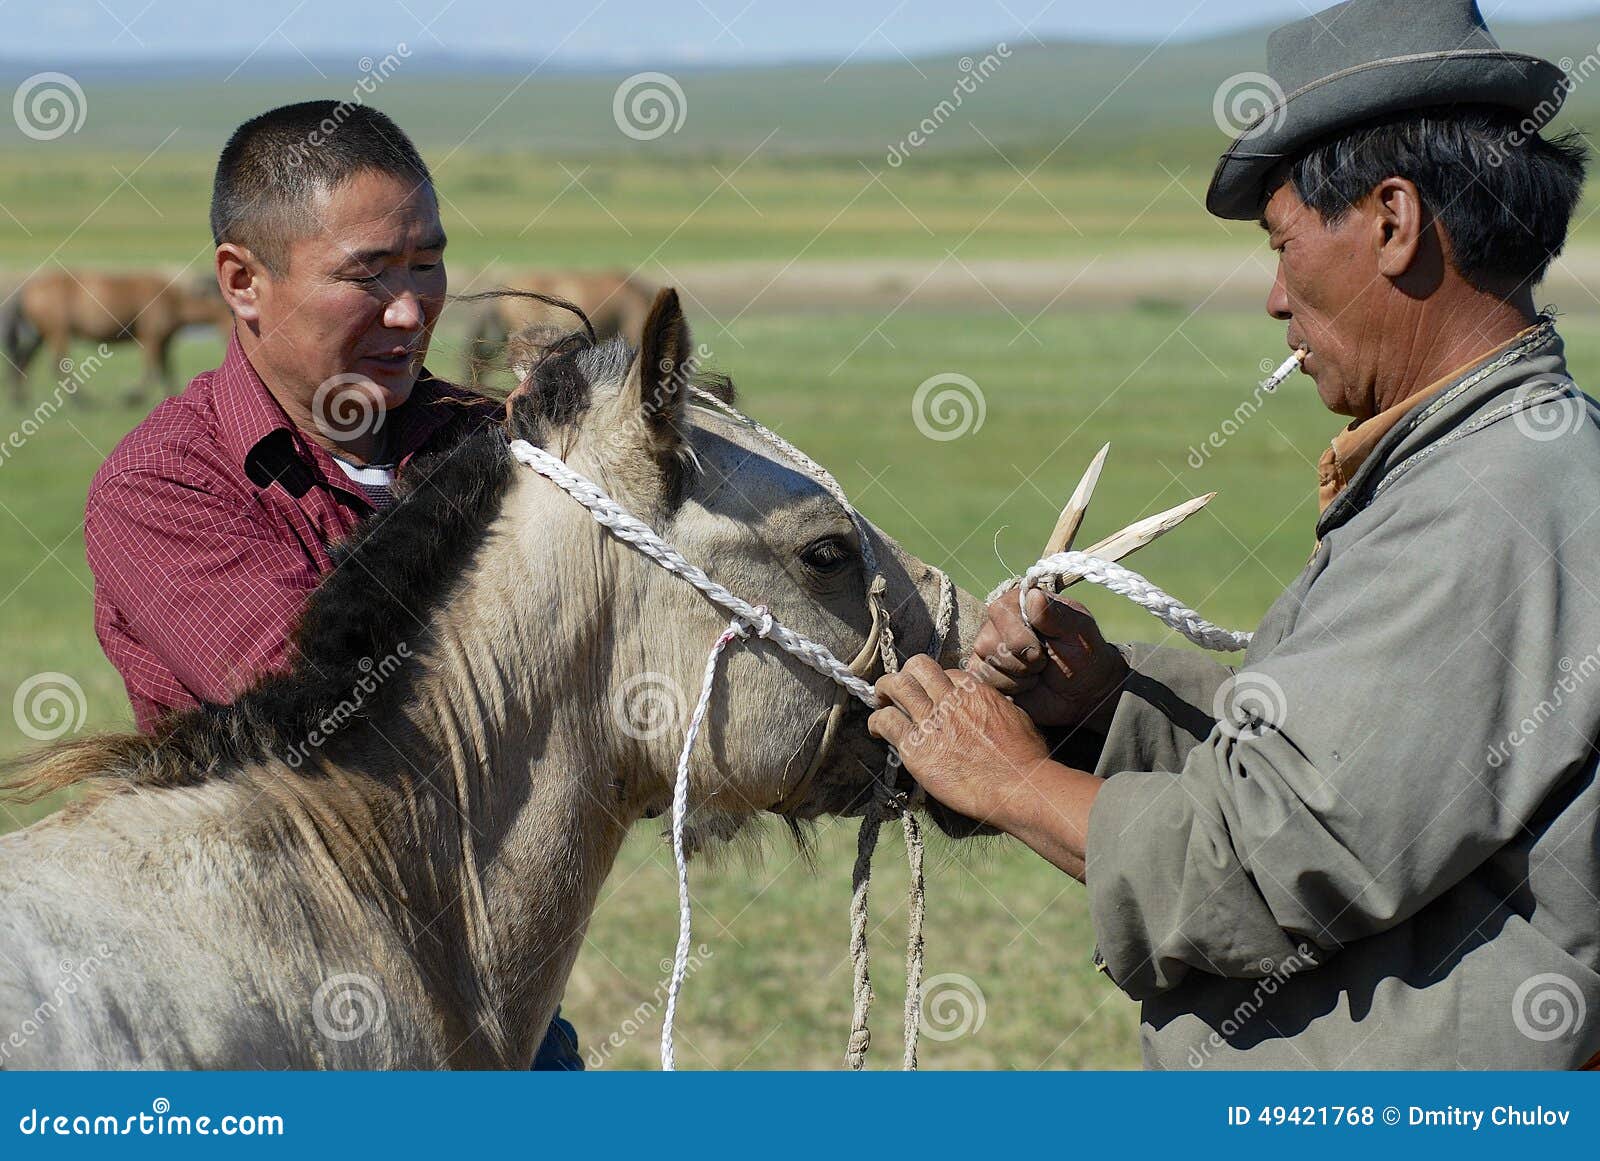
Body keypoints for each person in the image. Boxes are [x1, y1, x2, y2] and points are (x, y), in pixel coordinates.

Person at [872, 0, 1600, 1069]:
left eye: (1284, 245)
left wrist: (1009, 780)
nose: (1273, 299)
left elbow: (1272, 865)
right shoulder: (1486, 462)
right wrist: (1105, 702)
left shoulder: (1495, 497)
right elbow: (1347, 766)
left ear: (1392, 222)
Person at [84, 100, 581, 1070]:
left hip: (495, 994)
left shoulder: (482, 434)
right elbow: (336, 724)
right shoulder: (163, 484)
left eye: (426, 263)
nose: (410, 310)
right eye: (365, 274)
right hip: (259, 1005)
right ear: (242, 281)